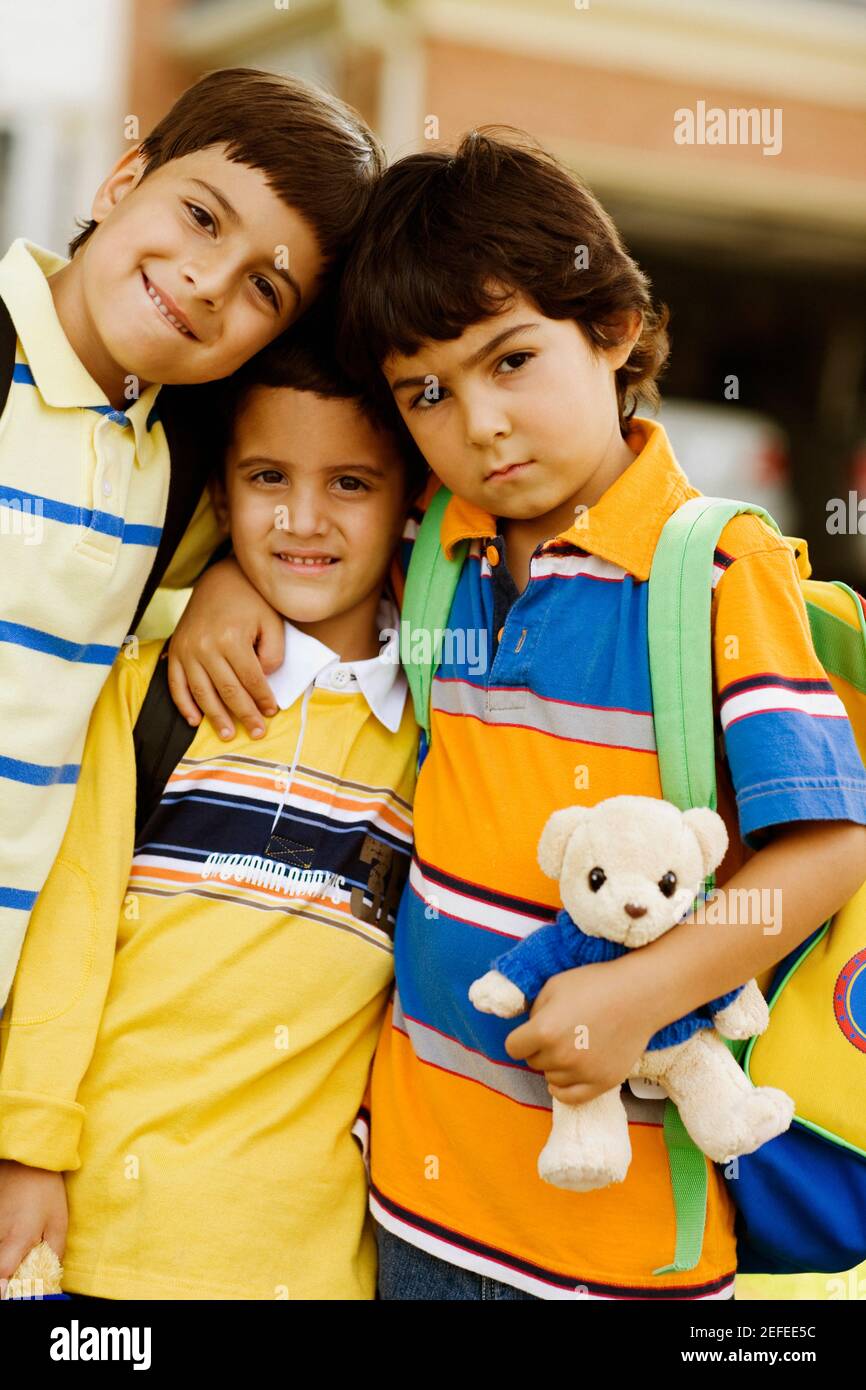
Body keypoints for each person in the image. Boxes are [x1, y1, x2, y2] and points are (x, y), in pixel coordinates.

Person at [170, 127, 866, 1300]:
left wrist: (636, 993)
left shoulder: (708, 571)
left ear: (615, 330)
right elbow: (316, 558)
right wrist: (231, 583)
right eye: (426, 392)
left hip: (617, 1237)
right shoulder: (438, 540)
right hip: (412, 1199)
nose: (478, 423)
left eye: (510, 361)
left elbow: (828, 840)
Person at [0, 321, 423, 1300]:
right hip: (91, 1236)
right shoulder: (149, 691)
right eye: (268, 478)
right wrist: (26, 1144)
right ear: (222, 496)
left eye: (350, 483)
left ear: (409, 502)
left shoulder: (436, 731)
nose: (303, 519)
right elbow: (69, 931)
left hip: (308, 1268)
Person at [0, 65, 384, 1005]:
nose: (209, 282)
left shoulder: (176, 463)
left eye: (266, 288)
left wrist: (228, 577)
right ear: (123, 181)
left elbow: (294, 512)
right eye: (204, 217)